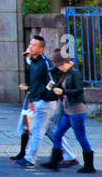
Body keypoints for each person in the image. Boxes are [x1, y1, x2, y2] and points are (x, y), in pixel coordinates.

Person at [13, 35, 78, 168]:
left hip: (45, 101)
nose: (31, 47)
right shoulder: (33, 62)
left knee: (36, 129)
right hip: (36, 100)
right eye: (30, 44)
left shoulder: (45, 63)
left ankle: (29, 158)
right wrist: (31, 95)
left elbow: (52, 82)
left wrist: (43, 95)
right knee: (48, 129)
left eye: (34, 45)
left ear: (41, 49)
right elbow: (34, 82)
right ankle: (69, 156)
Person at [42, 51, 96, 173]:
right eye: (58, 65)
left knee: (81, 137)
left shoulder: (74, 73)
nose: (59, 67)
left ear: (66, 62)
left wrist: (63, 92)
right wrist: (54, 68)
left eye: (60, 65)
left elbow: (78, 90)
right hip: (68, 110)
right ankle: (54, 162)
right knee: (57, 134)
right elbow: (53, 73)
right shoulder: (64, 73)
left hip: (77, 111)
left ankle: (89, 165)